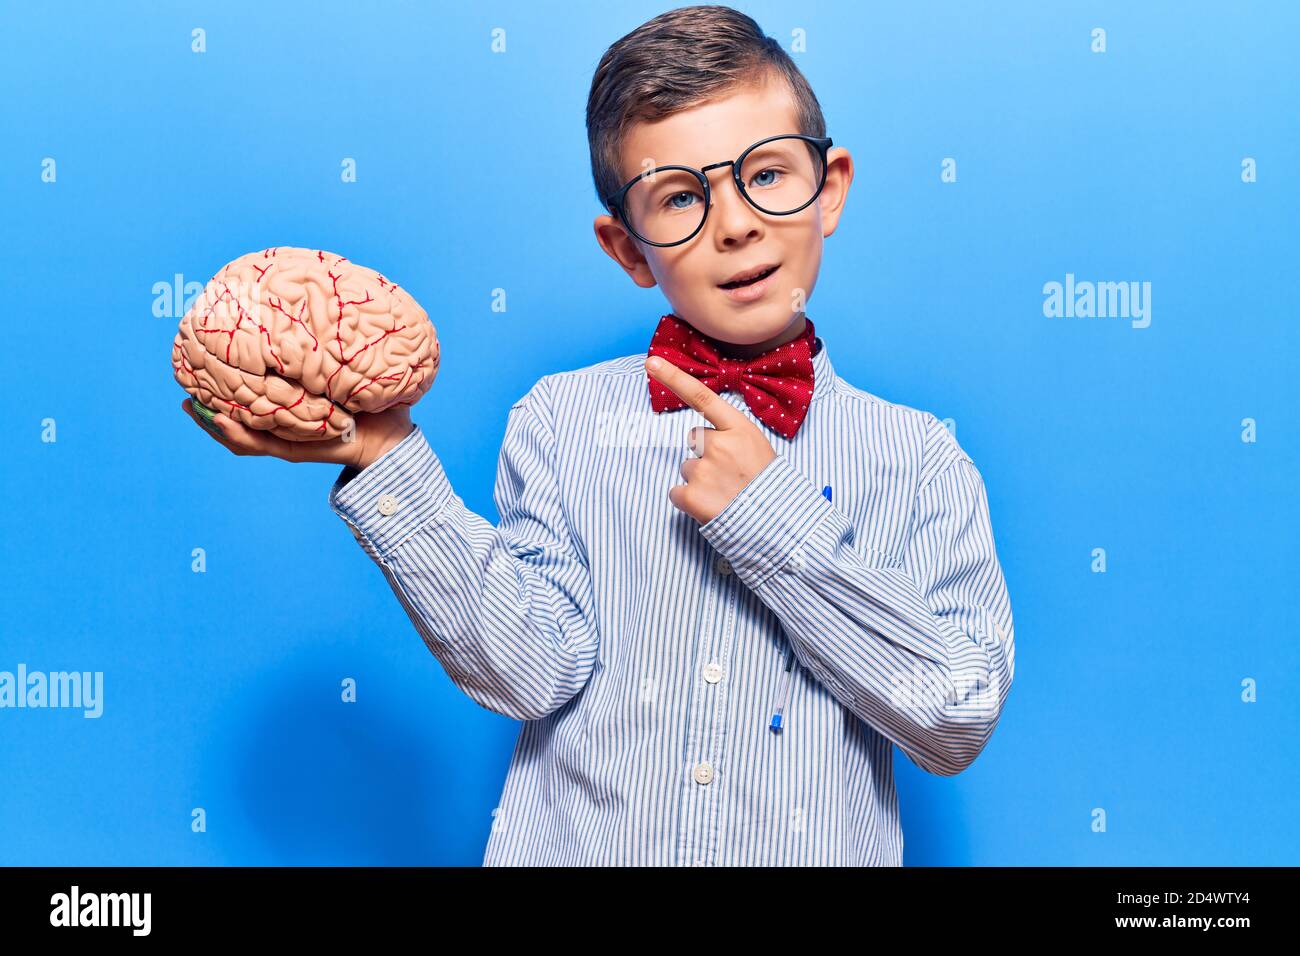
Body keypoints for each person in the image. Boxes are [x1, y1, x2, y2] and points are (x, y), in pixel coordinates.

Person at [181, 4, 1015, 866]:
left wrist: (771, 519)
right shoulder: (561, 422)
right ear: (627, 249)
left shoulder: (920, 460)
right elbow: (529, 672)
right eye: (681, 196)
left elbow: (955, 714)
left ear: (830, 186)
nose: (734, 225)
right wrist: (386, 459)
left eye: (766, 176)